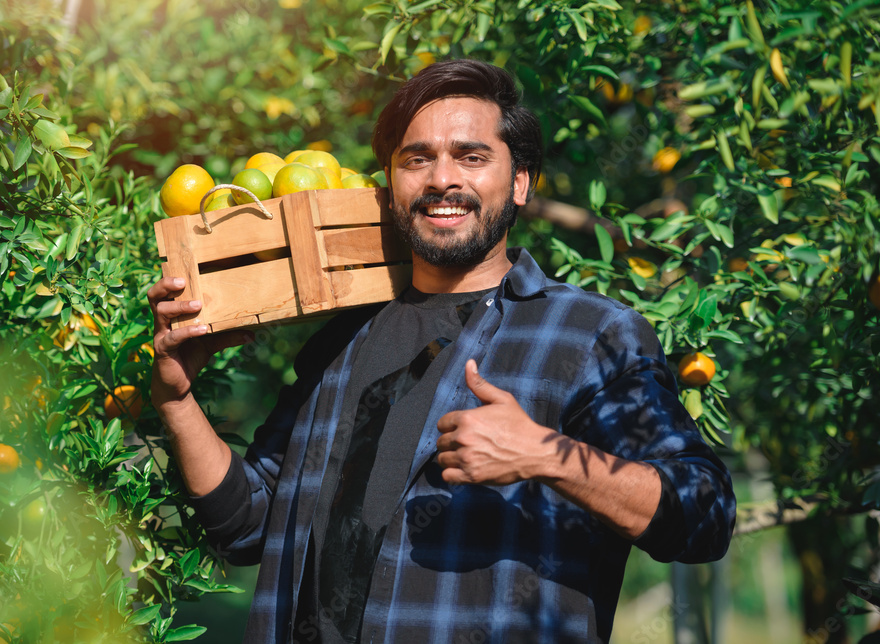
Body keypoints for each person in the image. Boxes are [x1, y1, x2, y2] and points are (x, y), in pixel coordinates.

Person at [147, 59, 736, 643]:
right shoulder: (339, 339)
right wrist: (178, 402)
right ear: (389, 182)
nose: (441, 179)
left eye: (472, 157)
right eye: (417, 159)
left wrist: (549, 456)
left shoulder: (587, 335)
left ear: (522, 181)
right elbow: (248, 527)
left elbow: (704, 515)